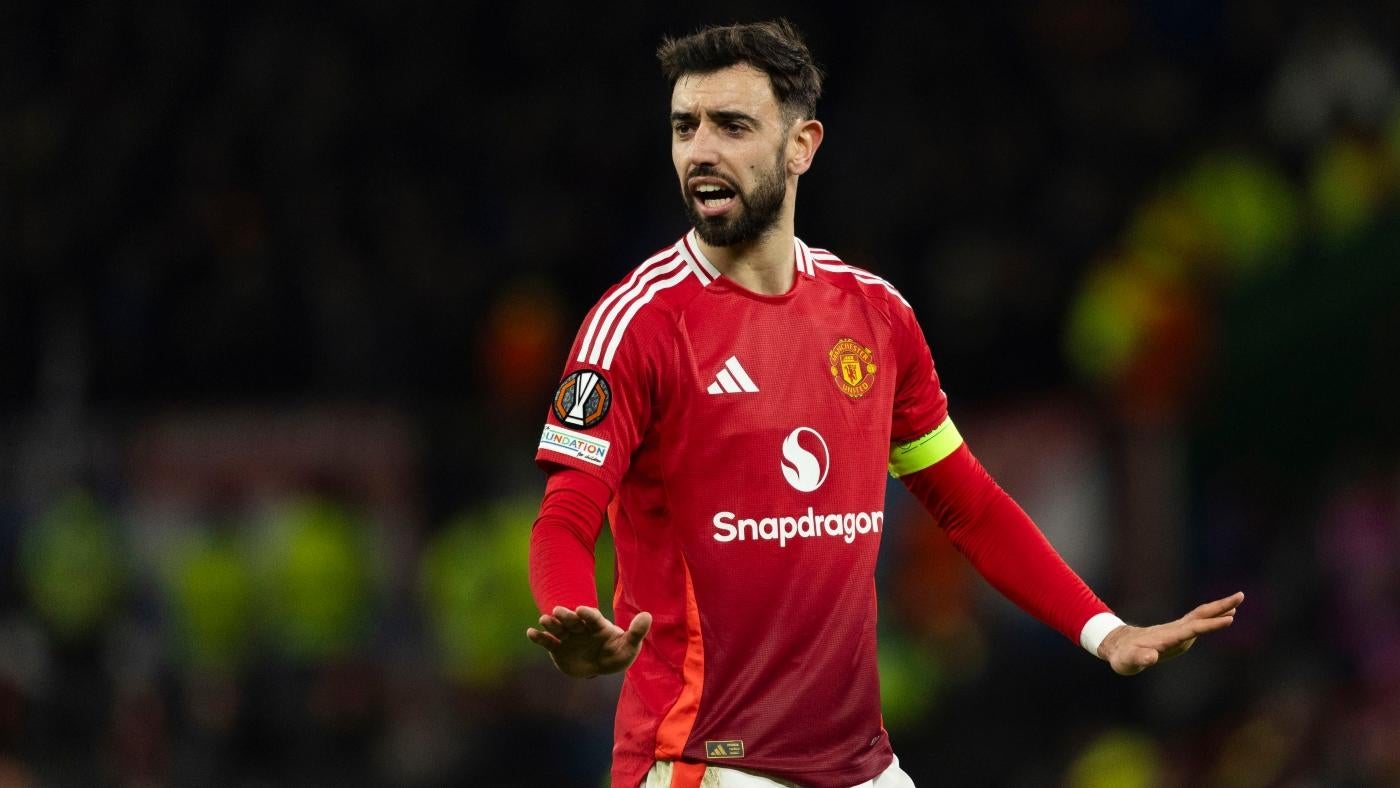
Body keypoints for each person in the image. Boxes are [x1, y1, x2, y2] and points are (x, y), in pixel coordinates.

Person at [524, 19, 1243, 788]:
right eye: (684, 127)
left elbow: (967, 504)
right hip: (705, 762)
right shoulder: (637, 325)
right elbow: (566, 515)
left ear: (801, 145)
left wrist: (1105, 632)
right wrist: (572, 617)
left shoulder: (874, 316)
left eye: (731, 126)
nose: (700, 150)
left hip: (859, 764)